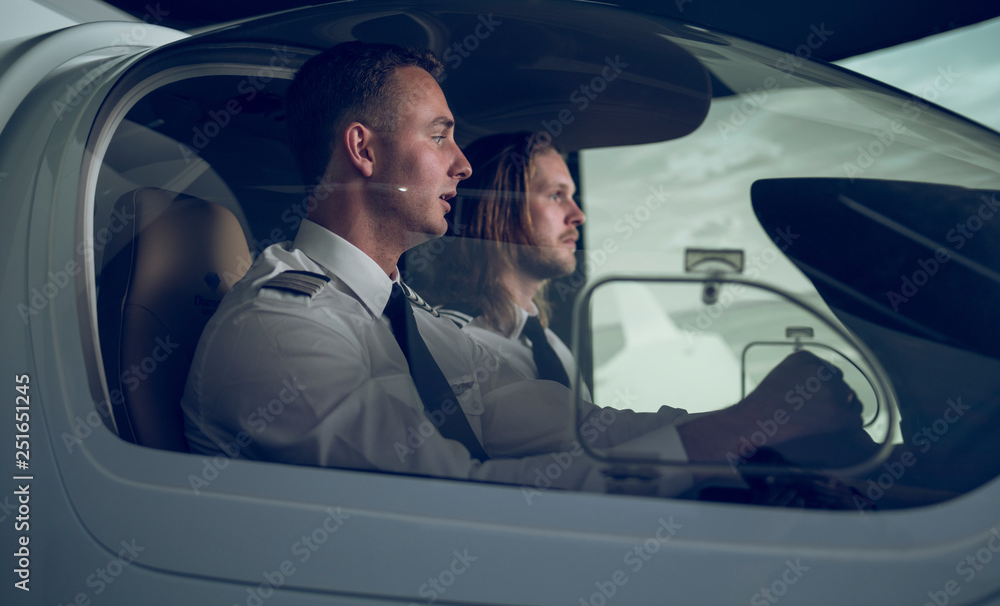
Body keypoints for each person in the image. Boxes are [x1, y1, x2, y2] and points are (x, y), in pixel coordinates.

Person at [181, 41, 867, 497]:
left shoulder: (422, 328)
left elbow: (578, 428)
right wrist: (733, 433)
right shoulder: (279, 329)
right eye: (441, 134)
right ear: (362, 147)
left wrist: (752, 423)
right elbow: (455, 499)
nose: (464, 164)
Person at [426, 132, 585, 395]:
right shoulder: (454, 341)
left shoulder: (552, 346)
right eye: (556, 195)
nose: (578, 216)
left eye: (572, 196)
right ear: (498, 209)